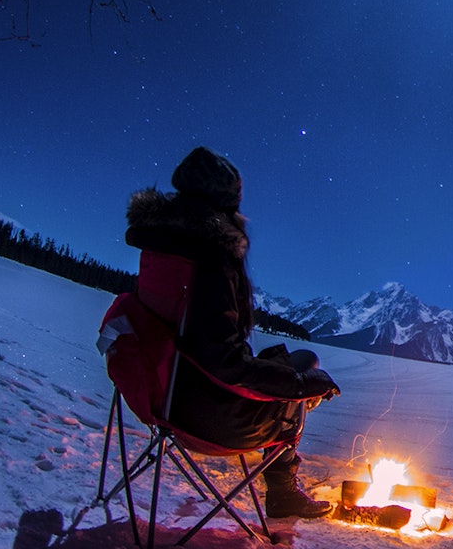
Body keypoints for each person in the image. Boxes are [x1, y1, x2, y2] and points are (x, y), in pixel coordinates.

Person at [124, 146, 339, 519]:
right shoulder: (210, 260)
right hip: (209, 414)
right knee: (301, 376)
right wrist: (303, 387)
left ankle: (284, 471)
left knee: (298, 364)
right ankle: (283, 493)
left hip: (161, 395)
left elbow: (203, 345)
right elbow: (225, 365)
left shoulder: (160, 249)